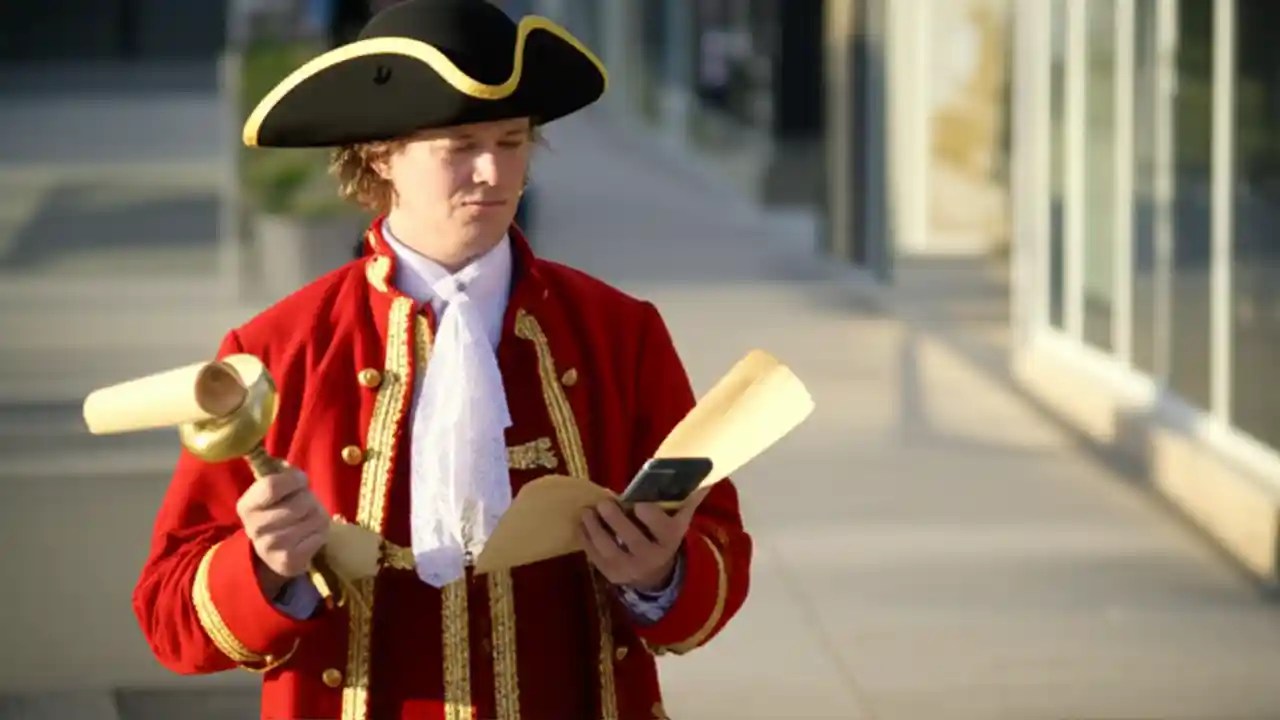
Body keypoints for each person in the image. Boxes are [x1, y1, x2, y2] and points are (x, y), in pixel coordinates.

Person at [131, 2, 752, 719]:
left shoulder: (619, 332)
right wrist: (263, 567)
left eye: (512, 140)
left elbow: (719, 552)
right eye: (458, 144)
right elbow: (169, 616)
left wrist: (660, 574)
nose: (493, 172)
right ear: (379, 152)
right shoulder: (277, 349)